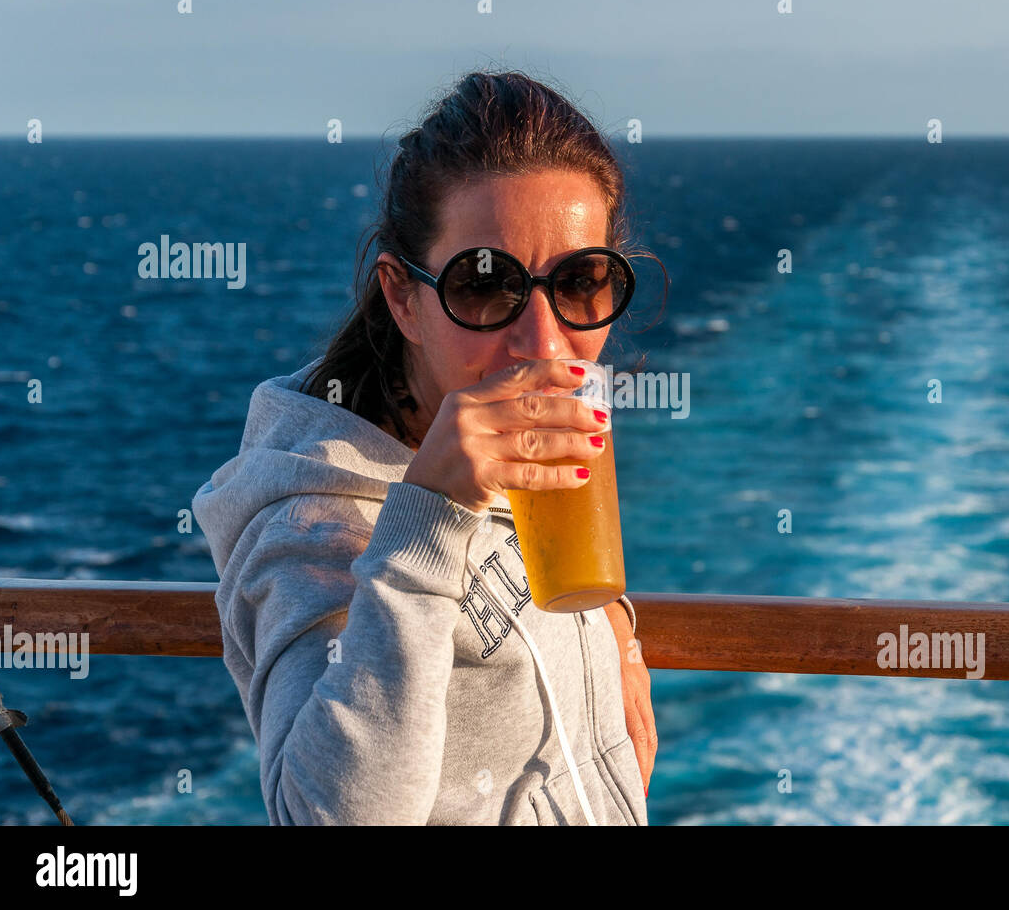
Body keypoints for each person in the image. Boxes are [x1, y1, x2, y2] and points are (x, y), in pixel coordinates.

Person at [192, 70, 667, 825]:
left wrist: (613, 630)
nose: (543, 341)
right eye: (484, 285)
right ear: (402, 295)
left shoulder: (490, 421)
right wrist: (431, 516)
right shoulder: (310, 520)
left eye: (580, 281)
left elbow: (528, 572)